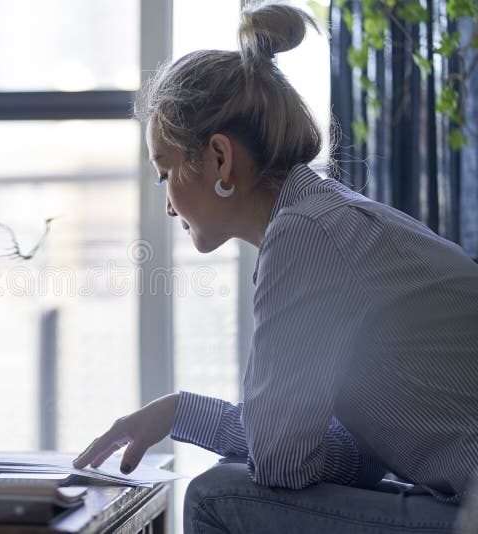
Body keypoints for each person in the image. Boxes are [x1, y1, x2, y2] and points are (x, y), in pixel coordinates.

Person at [72, 2, 478, 532]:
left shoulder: (305, 235)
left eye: (164, 171)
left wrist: (198, 418)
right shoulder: (329, 218)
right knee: (235, 471)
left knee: (217, 494)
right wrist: (181, 413)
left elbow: (283, 463)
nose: (167, 203)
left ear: (219, 159)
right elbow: (353, 457)